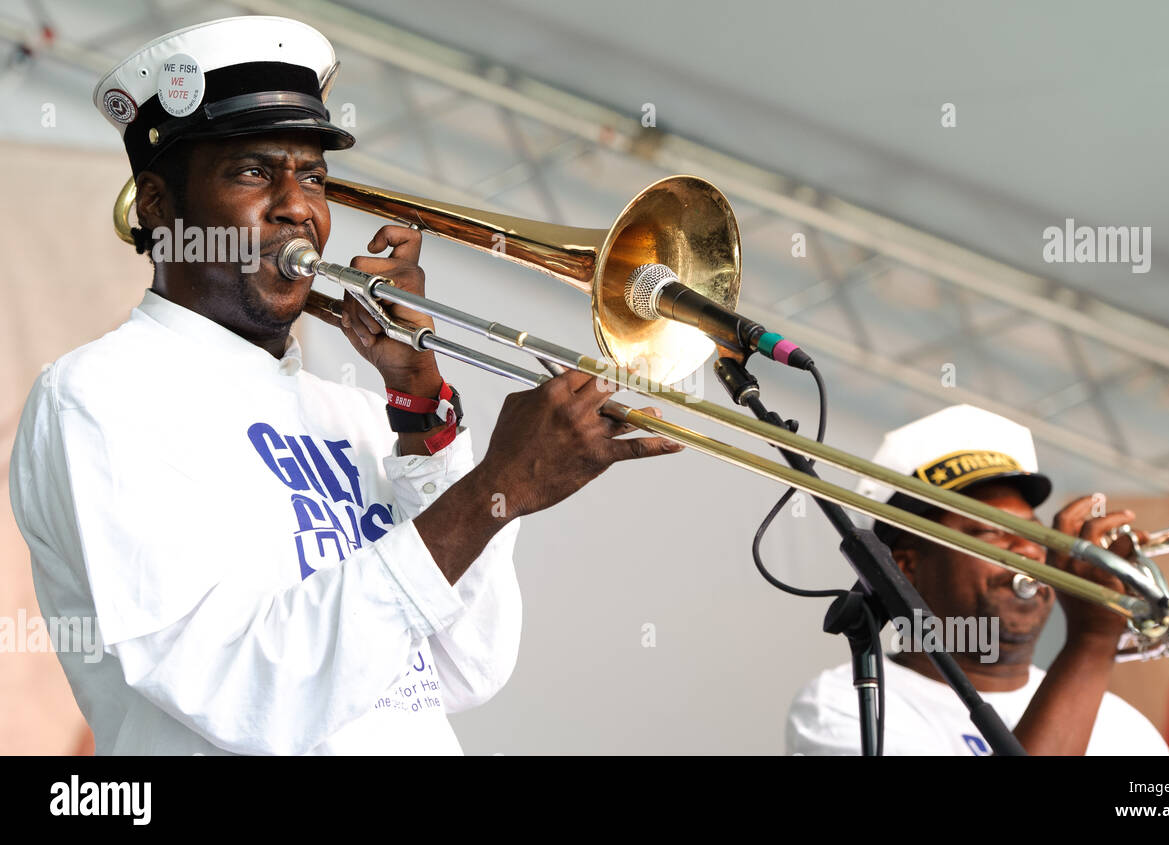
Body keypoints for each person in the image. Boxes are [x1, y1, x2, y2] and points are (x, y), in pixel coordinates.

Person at [7, 16, 682, 756]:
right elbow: (241, 689)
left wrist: (422, 414)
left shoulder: (359, 412)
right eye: (254, 172)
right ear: (160, 208)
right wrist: (499, 484)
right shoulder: (105, 394)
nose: (299, 206)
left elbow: (466, 665)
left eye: (314, 177)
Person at [785, 404, 1169, 755]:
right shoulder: (845, 707)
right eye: (991, 532)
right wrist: (1091, 643)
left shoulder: (1125, 728)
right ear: (903, 567)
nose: (1030, 551)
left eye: (1036, 534)